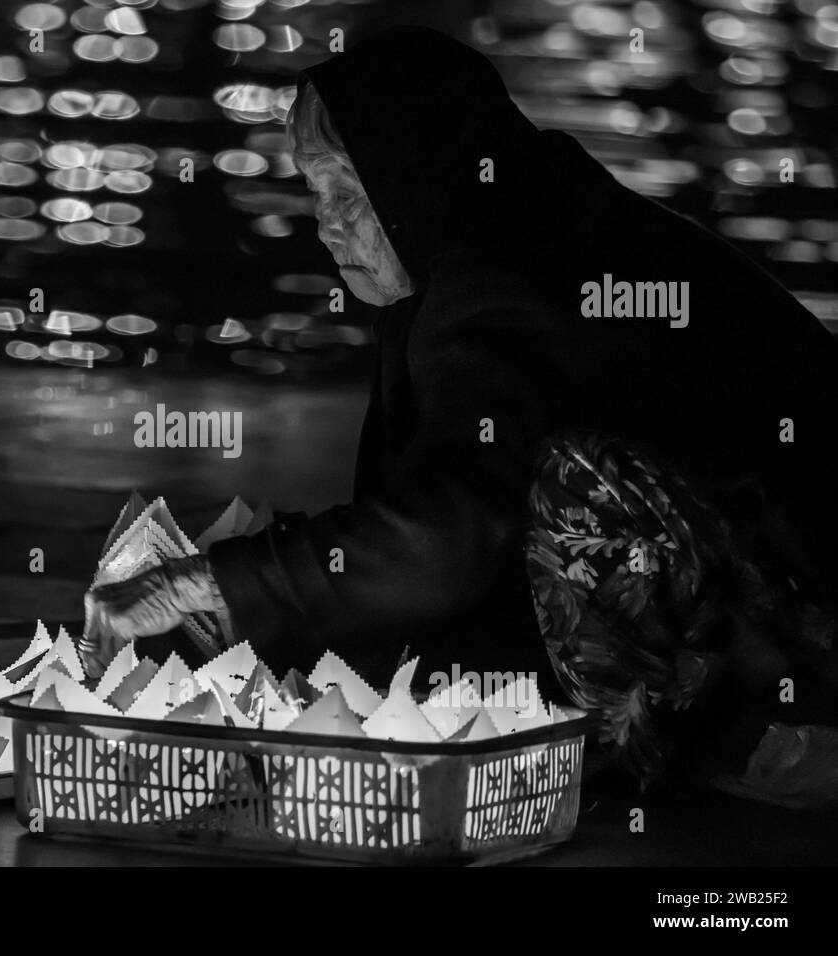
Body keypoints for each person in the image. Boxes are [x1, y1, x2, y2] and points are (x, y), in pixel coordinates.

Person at [79, 26, 838, 793]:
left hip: (804, 629)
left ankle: (704, 743)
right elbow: (446, 513)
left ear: (416, 175)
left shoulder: (507, 274)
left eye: (347, 188)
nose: (326, 222)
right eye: (316, 191)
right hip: (765, 593)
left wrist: (211, 582)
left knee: (577, 487)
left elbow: (449, 535)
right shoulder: (504, 226)